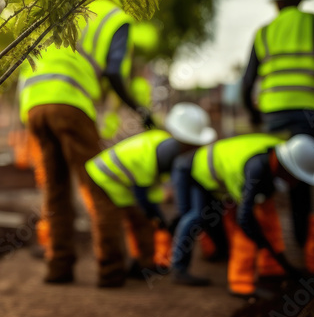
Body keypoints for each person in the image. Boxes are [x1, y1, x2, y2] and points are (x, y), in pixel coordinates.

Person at [19, 0, 154, 286]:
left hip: (34, 104)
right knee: (98, 184)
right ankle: (111, 270)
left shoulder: (60, 11)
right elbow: (117, 72)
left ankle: (59, 266)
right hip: (71, 102)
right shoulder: (113, 17)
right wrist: (140, 110)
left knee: (55, 190)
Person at [241, 0, 314, 267]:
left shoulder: (263, 33)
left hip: (277, 123)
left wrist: (255, 115)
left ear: (275, 3)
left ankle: (303, 248)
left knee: (296, 184)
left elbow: (247, 84)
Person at [174, 133, 314, 296]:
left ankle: (270, 268)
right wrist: (260, 242)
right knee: (197, 216)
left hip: (226, 171)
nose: (297, 182)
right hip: (201, 167)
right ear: (287, 167)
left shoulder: (279, 153)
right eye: (297, 176)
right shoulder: (257, 168)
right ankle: (180, 269)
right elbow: (244, 218)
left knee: (262, 214)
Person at [84, 103, 217, 282]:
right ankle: (110, 273)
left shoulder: (162, 143)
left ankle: (143, 265)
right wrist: (157, 217)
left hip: (121, 183)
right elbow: (142, 195)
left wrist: (156, 216)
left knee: (142, 222)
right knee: (109, 223)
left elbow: (151, 191)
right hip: (101, 177)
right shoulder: (157, 155)